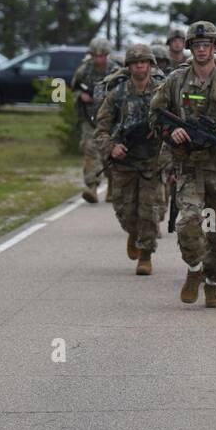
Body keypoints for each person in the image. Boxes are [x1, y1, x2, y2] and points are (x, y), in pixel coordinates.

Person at [150, 21, 216, 307]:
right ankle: (195, 270)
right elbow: (156, 115)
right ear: (190, 48)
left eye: (206, 45)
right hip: (189, 166)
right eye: (197, 45)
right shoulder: (176, 80)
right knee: (187, 221)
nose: (201, 49)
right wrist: (170, 132)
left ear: (214, 47)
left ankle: (213, 282)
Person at [95, 44, 167, 275]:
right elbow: (102, 128)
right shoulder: (117, 94)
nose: (140, 65)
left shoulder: (162, 92)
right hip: (123, 163)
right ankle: (133, 233)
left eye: (144, 62)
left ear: (150, 64)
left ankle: (145, 255)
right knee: (125, 212)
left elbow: (175, 121)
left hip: (151, 162)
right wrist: (112, 147)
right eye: (135, 62)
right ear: (129, 66)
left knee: (149, 210)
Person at [70, 37, 120, 203]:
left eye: (102, 56)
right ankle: (92, 187)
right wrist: (81, 96)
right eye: (95, 56)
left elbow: (125, 91)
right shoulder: (83, 71)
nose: (99, 59)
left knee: (110, 153)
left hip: (111, 121)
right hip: (90, 119)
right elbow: (73, 90)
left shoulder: (115, 71)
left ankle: (113, 186)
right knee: (90, 150)